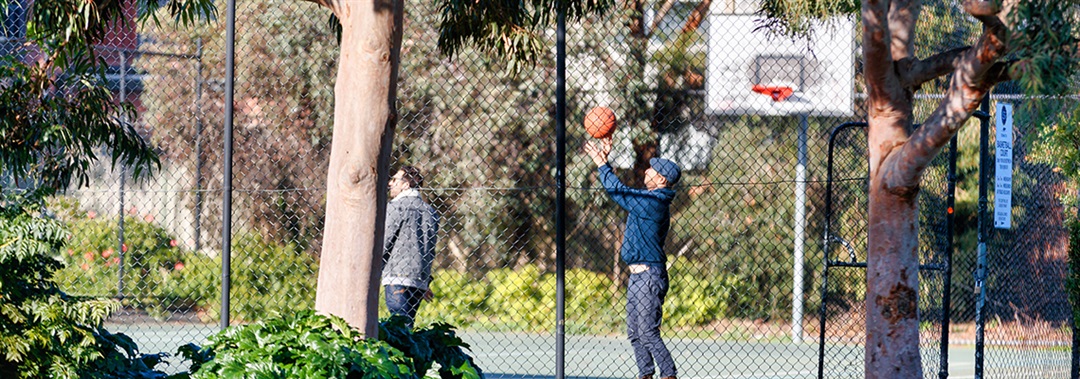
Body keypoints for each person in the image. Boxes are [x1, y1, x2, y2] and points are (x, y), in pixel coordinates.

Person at [584, 137, 679, 379]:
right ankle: (645, 374)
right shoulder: (648, 199)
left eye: (652, 169)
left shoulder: (655, 203)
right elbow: (624, 192)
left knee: (648, 332)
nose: (647, 170)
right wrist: (607, 161)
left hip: (649, 275)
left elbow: (619, 193)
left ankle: (668, 375)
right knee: (635, 333)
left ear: (661, 179)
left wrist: (601, 164)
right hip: (638, 276)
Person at [382, 166, 440, 328]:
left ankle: (403, 353)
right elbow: (430, 249)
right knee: (408, 324)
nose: (390, 184)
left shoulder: (395, 207)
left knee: (400, 326)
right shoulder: (431, 212)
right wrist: (426, 280)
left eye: (394, 180)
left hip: (396, 276)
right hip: (419, 279)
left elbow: (384, 242)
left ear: (406, 184)